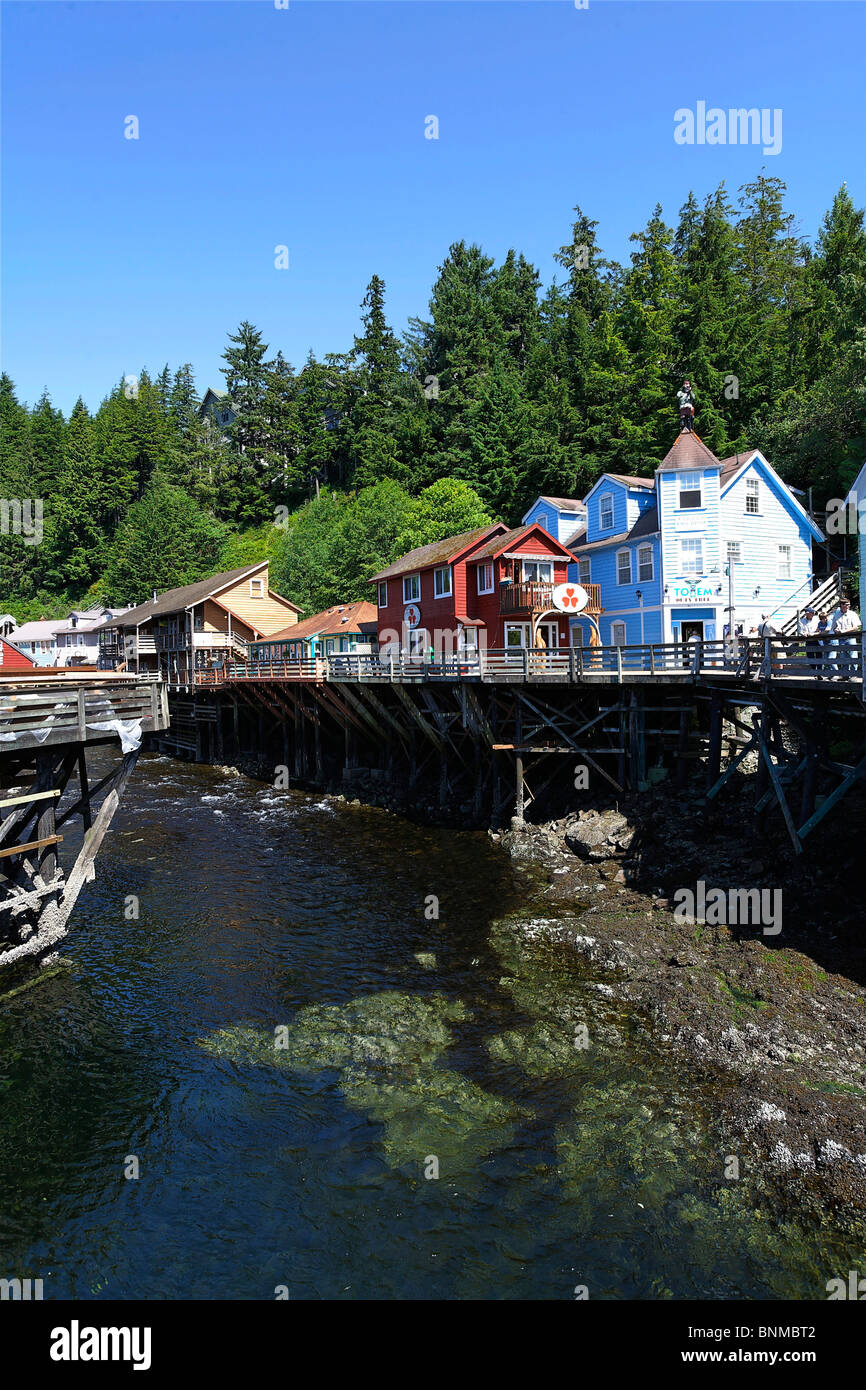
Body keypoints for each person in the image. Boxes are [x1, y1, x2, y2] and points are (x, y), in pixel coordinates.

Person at [830, 596, 861, 679]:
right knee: (843, 657)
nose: (848, 606)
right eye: (846, 604)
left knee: (853, 656)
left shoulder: (852, 614)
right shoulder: (836, 615)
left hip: (851, 637)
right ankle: (845, 675)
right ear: (842, 605)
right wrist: (836, 631)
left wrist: (844, 631)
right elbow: (833, 627)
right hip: (841, 639)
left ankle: (854, 675)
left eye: (849, 604)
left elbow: (856, 627)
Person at [798, 606, 820, 676]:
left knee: (819, 656)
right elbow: (800, 630)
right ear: (807, 613)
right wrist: (804, 634)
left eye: (813, 613)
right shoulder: (802, 621)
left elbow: (819, 628)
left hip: (817, 639)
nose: (812, 614)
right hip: (808, 640)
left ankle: (819, 672)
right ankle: (814, 671)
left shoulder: (817, 619)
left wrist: (815, 633)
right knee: (810, 656)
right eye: (811, 613)